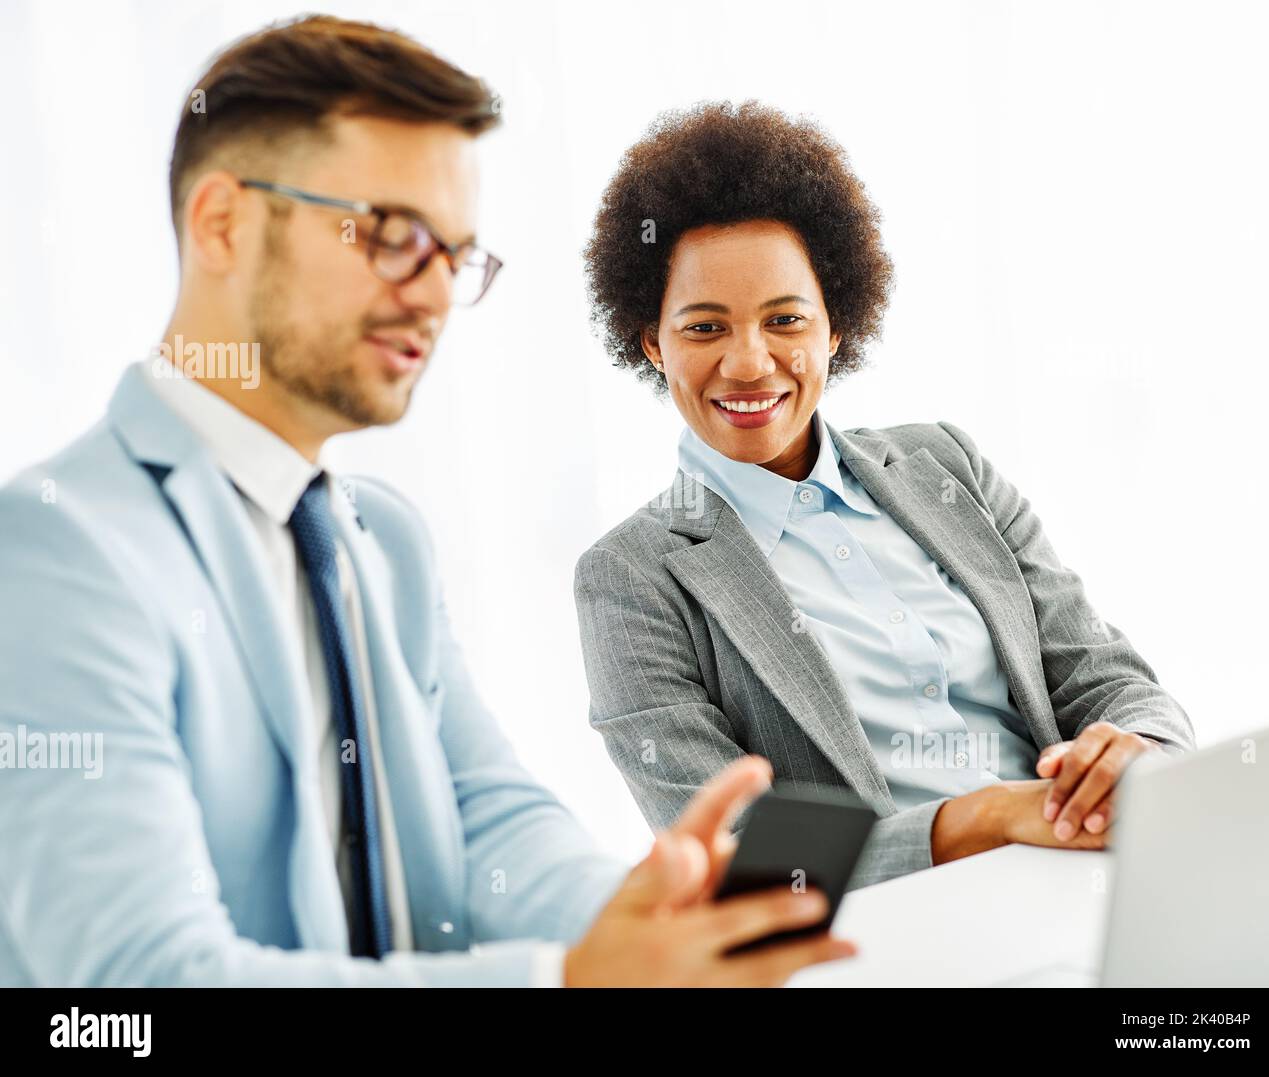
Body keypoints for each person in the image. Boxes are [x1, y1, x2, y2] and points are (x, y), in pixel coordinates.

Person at [0, 17, 855, 988]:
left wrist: (652, 911)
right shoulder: (57, 549)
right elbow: (133, 987)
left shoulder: (379, 540)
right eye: (392, 235)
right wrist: (564, 981)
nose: (433, 294)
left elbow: (487, 816)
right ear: (223, 224)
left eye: (452, 255)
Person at [575, 101, 1195, 888]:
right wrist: (991, 814)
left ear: (835, 326)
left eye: (785, 319)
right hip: (889, 934)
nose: (750, 362)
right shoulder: (632, 578)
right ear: (651, 343)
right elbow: (741, 848)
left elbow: (1101, 670)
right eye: (704, 328)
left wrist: (1136, 748)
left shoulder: (946, 465)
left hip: (1093, 874)